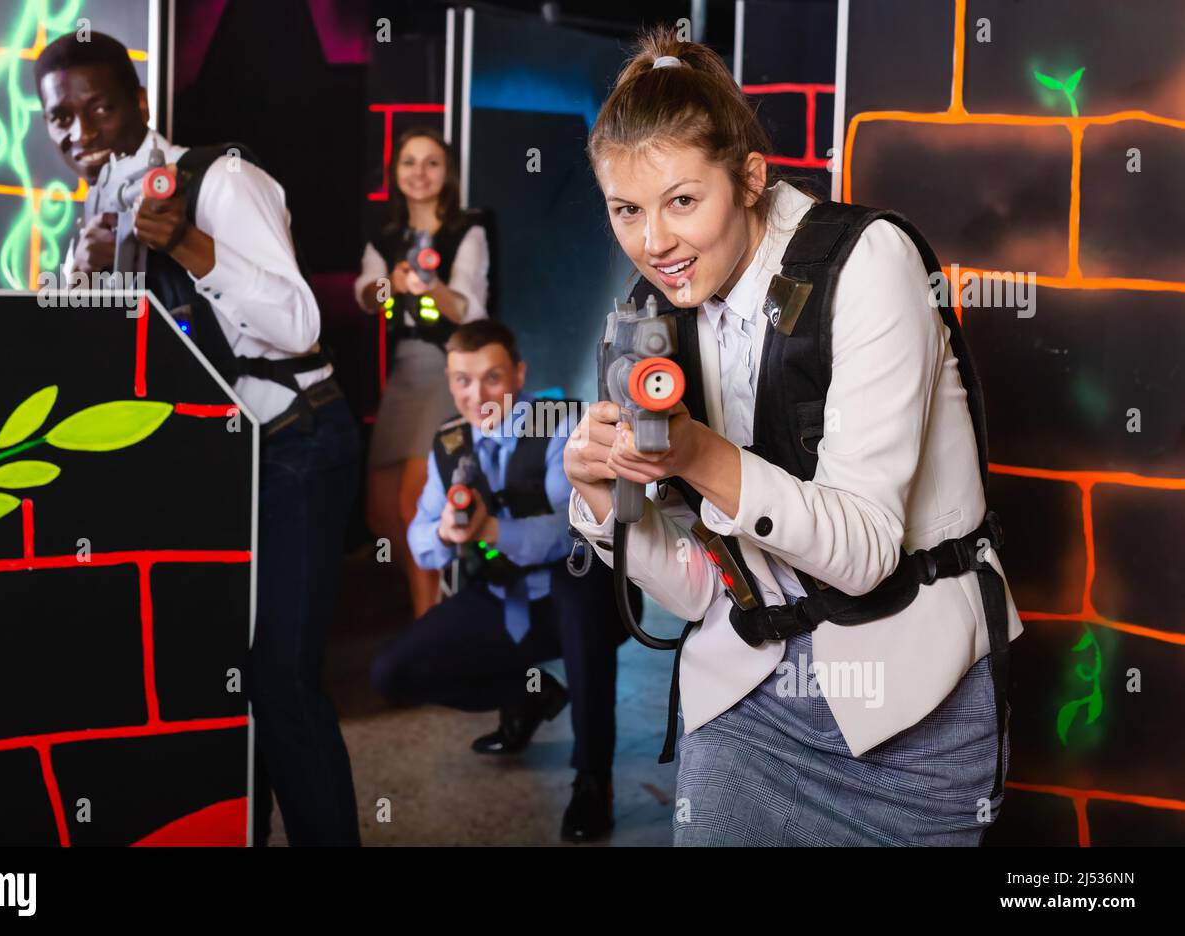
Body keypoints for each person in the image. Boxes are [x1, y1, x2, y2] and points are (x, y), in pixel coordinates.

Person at [564, 26, 1025, 846]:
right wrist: (607, 504)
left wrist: (699, 454)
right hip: (740, 702)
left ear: (749, 177)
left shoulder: (866, 262)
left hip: (909, 710)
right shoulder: (652, 312)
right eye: (626, 210)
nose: (654, 243)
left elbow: (865, 554)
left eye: (681, 201)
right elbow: (700, 590)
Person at [35, 32, 360, 845]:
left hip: (298, 440)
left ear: (140, 103)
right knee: (224, 681)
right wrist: (80, 281)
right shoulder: (94, 205)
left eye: (99, 106)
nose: (79, 131)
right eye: (60, 118)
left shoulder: (222, 177)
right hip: (216, 461)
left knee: (282, 682)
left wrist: (181, 240)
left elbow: (298, 323)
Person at [370, 321, 637, 842]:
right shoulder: (448, 441)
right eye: (462, 381)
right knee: (390, 673)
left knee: (579, 595)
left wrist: (492, 529)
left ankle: (591, 779)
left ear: (518, 372)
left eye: (492, 378)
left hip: (581, 598)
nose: (476, 396)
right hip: (501, 594)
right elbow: (419, 536)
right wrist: (447, 533)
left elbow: (573, 528)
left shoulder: (562, 422)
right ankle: (526, 695)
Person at [353, 127, 491, 618]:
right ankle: (447, 593)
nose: (419, 173)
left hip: (445, 368)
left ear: (446, 173)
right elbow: (368, 299)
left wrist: (429, 286)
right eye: (409, 162)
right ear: (396, 173)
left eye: (431, 163)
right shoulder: (384, 236)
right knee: (380, 507)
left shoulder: (468, 229)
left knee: (415, 499)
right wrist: (391, 284)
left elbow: (470, 313)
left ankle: (427, 620)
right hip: (404, 371)